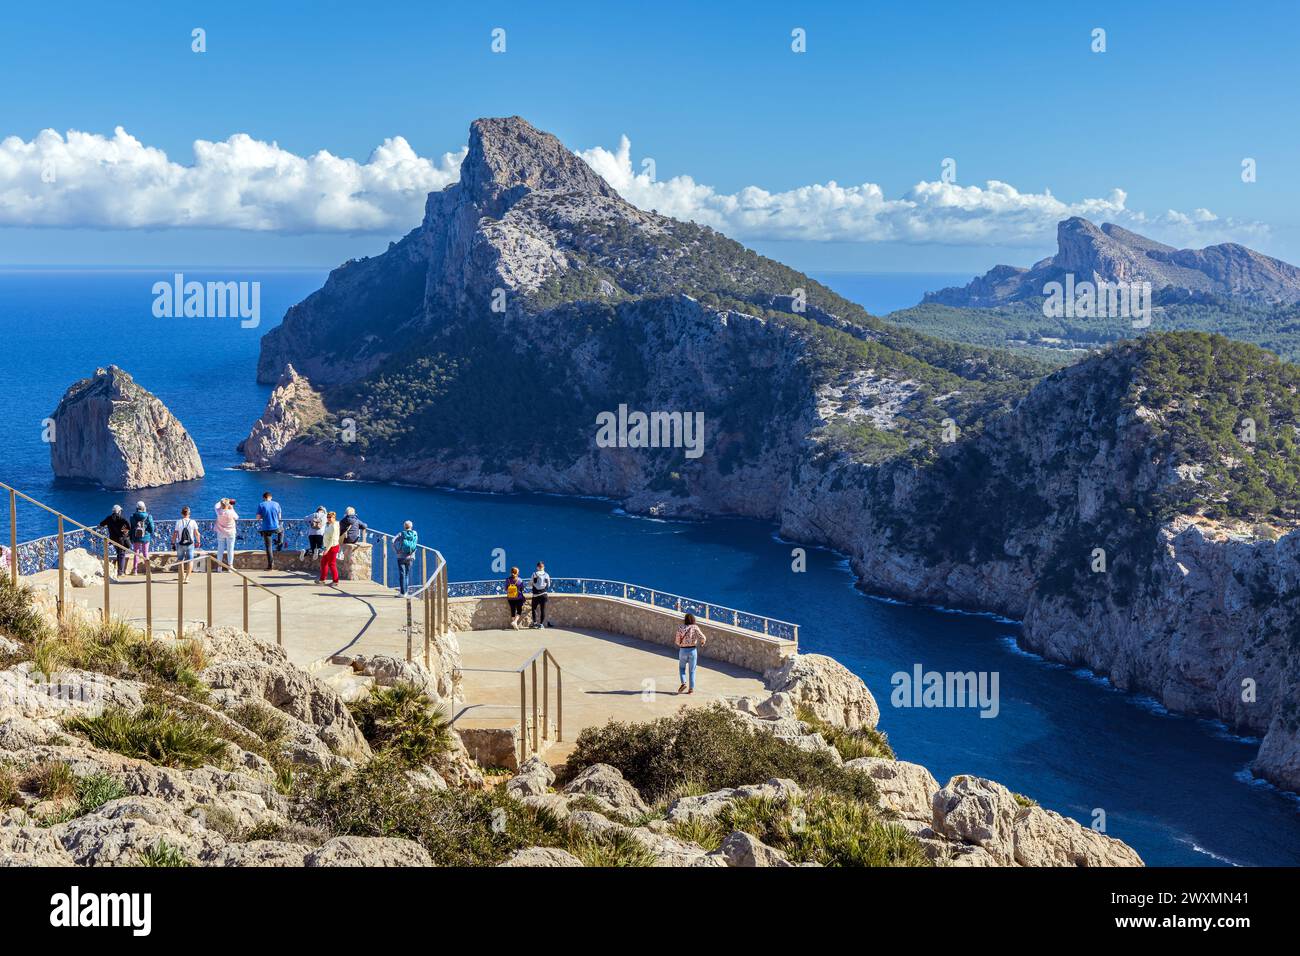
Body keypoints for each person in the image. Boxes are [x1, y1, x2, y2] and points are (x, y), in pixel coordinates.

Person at [675, 613, 707, 695]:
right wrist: (702, 642)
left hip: (683, 650)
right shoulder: (695, 627)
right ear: (693, 619)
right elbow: (703, 637)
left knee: (682, 668)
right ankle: (691, 690)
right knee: (692, 670)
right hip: (692, 650)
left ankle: (683, 683)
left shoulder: (680, 627)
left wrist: (682, 644)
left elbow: (677, 641)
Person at [97, 504, 132, 576]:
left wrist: (99, 527)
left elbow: (101, 524)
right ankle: (120, 572)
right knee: (121, 554)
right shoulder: (121, 518)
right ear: (119, 511)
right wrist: (126, 529)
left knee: (118, 553)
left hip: (113, 539)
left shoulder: (109, 518)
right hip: (121, 539)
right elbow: (128, 524)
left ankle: (118, 571)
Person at [172, 506, 201, 583]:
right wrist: (198, 541)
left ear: (182, 513)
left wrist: (173, 542)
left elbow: (175, 533)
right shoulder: (193, 522)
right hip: (190, 544)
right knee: (190, 560)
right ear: (189, 514)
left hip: (180, 543)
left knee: (180, 560)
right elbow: (197, 533)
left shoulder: (178, 522)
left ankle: (182, 576)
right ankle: (187, 578)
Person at [256, 492, 282, 570]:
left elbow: (258, 518)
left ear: (264, 498)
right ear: (271, 497)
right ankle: (279, 543)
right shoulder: (276, 504)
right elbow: (280, 517)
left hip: (266, 528)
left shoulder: (261, 505)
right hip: (276, 527)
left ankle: (270, 565)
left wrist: (263, 516)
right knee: (282, 530)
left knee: (268, 547)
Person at [392, 521, 419, 596]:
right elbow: (415, 543)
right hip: (410, 557)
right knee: (406, 574)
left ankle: (402, 592)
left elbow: (392, 541)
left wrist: (396, 550)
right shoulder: (415, 533)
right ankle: (406, 592)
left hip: (401, 556)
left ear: (404, 526)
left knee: (402, 574)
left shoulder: (401, 534)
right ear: (411, 526)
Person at [127, 501, 154, 574]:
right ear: (144, 508)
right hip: (146, 537)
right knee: (145, 553)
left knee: (136, 553)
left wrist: (131, 537)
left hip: (136, 537)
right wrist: (148, 532)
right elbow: (151, 528)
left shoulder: (132, 516)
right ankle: (148, 570)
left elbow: (132, 528)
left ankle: (135, 570)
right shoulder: (148, 516)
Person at [214, 498, 238, 570]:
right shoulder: (231, 512)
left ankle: (219, 567)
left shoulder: (218, 511)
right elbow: (237, 517)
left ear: (221, 504)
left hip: (221, 532)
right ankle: (230, 567)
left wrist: (222, 500)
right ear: (228, 505)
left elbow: (216, 505)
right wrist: (232, 508)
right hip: (230, 533)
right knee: (230, 549)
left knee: (220, 549)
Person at [319, 510, 340, 586]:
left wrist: (326, 550)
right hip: (327, 547)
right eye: (328, 517)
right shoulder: (329, 524)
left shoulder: (334, 526)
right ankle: (322, 580)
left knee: (332, 564)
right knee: (323, 563)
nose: (329, 518)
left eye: (330, 517)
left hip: (332, 547)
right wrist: (325, 547)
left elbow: (332, 539)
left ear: (334, 517)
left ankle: (335, 581)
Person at [529, 561, 551, 629]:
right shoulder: (546, 574)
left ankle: (535, 623)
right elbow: (549, 585)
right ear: (543, 567)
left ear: (537, 567)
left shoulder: (534, 574)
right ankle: (541, 624)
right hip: (544, 594)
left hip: (536, 595)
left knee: (534, 609)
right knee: (542, 610)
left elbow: (530, 584)